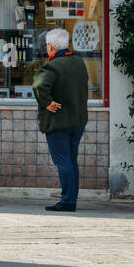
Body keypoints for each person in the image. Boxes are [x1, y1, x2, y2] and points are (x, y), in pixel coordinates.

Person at [33, 27, 89, 212]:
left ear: (50, 46)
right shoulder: (79, 62)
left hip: (58, 122)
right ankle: (71, 198)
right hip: (78, 121)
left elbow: (39, 84)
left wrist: (47, 103)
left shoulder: (53, 66)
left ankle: (67, 201)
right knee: (72, 160)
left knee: (63, 161)